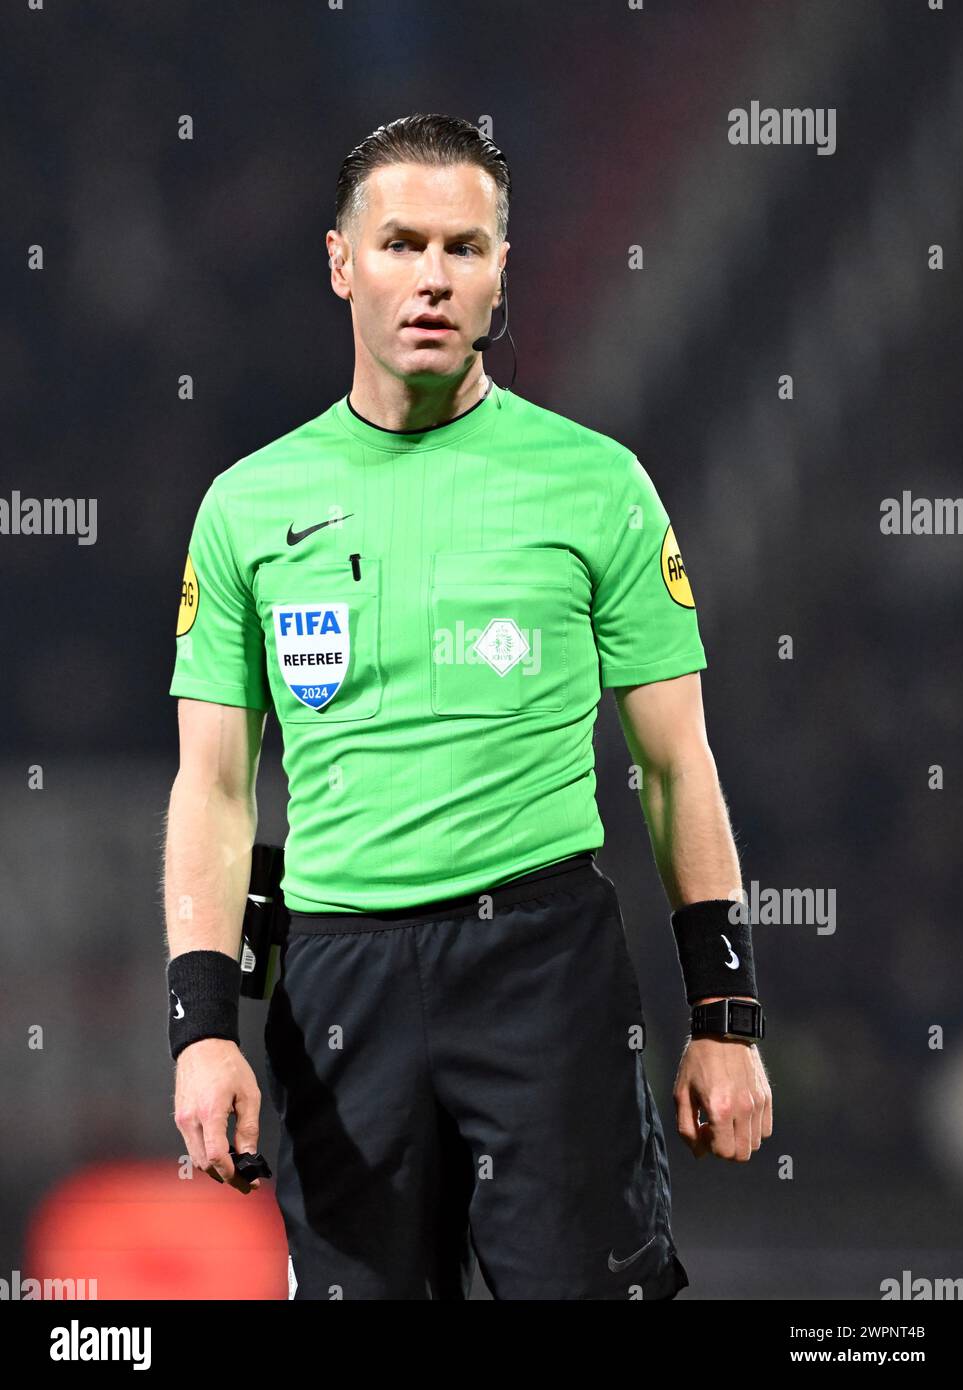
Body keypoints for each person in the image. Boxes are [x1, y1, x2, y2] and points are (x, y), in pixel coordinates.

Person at [164, 112, 772, 1301]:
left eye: (463, 246)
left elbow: (678, 766)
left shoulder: (598, 484)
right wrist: (201, 1028)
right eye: (399, 243)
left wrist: (728, 1012)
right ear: (342, 262)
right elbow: (217, 786)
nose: (432, 276)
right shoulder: (246, 506)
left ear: (502, 271)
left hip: (543, 970)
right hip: (338, 980)